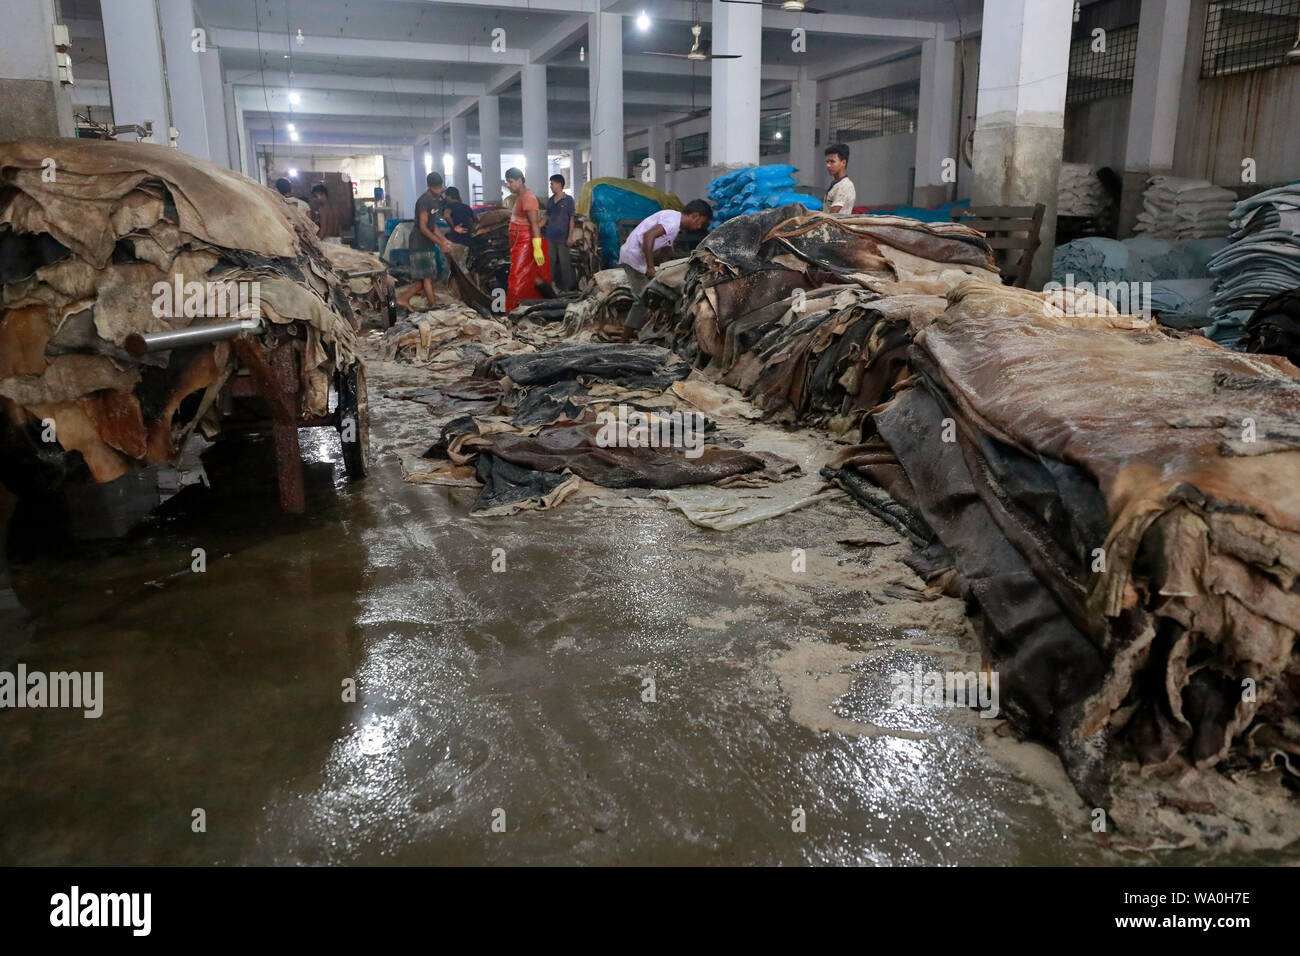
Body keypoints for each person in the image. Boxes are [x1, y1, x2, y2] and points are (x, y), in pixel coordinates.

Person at [396, 171, 456, 310]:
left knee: (425, 279)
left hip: (427, 244)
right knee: (427, 278)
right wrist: (440, 243)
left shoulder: (435, 201)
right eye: (436, 188)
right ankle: (432, 305)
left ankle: (404, 299)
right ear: (429, 186)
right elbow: (423, 228)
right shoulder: (424, 201)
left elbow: (433, 226)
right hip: (419, 243)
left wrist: (444, 240)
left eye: (440, 188)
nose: (439, 191)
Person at [618, 200, 712, 280]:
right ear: (694, 216)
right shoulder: (672, 222)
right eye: (701, 223)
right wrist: (650, 267)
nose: (699, 227)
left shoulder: (676, 224)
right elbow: (648, 236)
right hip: (632, 258)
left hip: (638, 260)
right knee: (640, 293)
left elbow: (665, 249)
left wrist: (667, 265)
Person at [504, 167, 551, 311]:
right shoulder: (521, 196)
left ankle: (513, 310)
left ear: (519, 180)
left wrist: (537, 248)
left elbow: (534, 225)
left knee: (517, 279)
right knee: (531, 277)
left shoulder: (528, 198)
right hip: (520, 242)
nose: (508, 185)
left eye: (510, 182)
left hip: (524, 243)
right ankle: (551, 301)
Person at [542, 174, 576, 291]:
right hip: (550, 236)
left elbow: (572, 219)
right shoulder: (551, 200)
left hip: (563, 238)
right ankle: (552, 286)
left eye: (552, 183)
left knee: (564, 263)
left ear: (559, 184)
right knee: (550, 262)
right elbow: (546, 217)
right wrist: (536, 226)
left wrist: (570, 237)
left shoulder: (569, 200)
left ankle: (568, 288)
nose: (551, 186)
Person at [824, 143, 856, 215]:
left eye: (832, 162)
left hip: (837, 226)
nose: (828, 165)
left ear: (843, 163)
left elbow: (832, 216)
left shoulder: (845, 185)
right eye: (827, 162)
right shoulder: (836, 185)